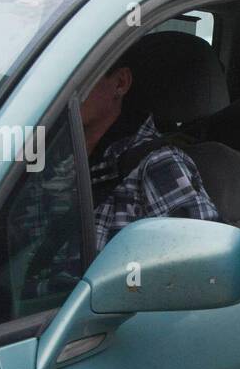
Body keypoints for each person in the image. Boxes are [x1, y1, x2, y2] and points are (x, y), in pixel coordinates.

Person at [78, 49, 220, 250]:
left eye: (81, 77)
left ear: (120, 83)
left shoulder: (158, 164)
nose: (64, 90)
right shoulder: (53, 156)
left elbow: (204, 260)